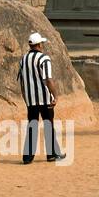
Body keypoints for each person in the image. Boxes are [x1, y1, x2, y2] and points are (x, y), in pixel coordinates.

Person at [18, 32, 62, 164]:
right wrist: (55, 96)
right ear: (39, 44)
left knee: (32, 126)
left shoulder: (23, 60)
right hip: (45, 99)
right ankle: (52, 154)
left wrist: (26, 99)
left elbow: (22, 83)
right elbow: (48, 80)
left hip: (31, 100)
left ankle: (27, 157)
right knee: (48, 125)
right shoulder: (44, 59)